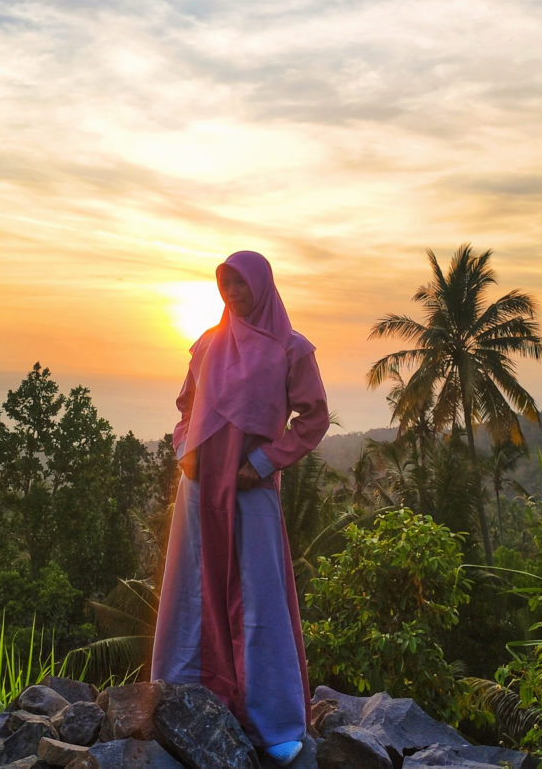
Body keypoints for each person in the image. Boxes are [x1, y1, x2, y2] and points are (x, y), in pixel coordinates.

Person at [151, 251, 330, 767]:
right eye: (224, 283)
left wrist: (264, 460)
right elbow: (185, 407)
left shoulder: (291, 350)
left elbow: (313, 420)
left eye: (240, 283)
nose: (231, 291)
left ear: (263, 285)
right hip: (200, 488)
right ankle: (179, 699)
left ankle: (270, 719)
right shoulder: (207, 344)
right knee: (193, 587)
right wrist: (185, 452)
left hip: (251, 488)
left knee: (256, 597)